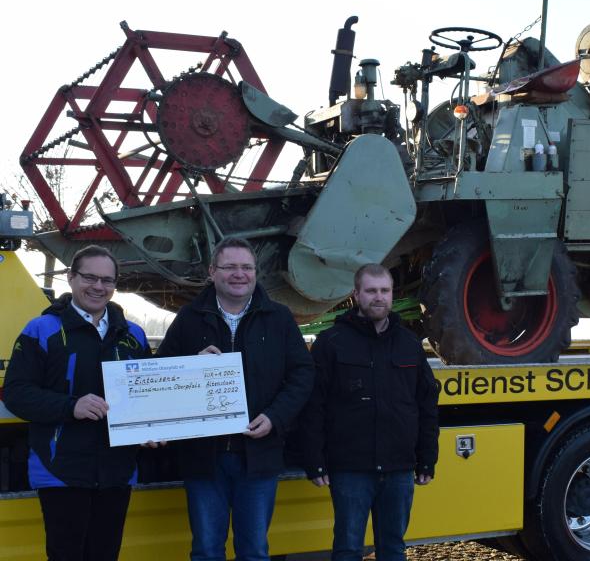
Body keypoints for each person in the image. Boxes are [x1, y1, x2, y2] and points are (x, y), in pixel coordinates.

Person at [157, 237, 314, 561]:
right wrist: (191, 366)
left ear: (256, 273)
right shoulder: (189, 318)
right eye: (230, 267)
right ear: (213, 272)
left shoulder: (279, 318)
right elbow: (161, 376)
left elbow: (302, 375)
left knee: (254, 551)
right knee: (206, 550)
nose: (238, 274)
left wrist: (275, 417)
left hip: (258, 456)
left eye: (246, 267)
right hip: (204, 458)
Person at [3, 245, 151, 561]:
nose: (98, 287)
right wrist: (71, 406)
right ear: (71, 278)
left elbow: (147, 393)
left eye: (107, 280)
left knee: (105, 554)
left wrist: (153, 424)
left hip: (116, 470)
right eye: (90, 277)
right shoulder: (41, 330)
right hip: (60, 469)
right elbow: (16, 393)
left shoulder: (133, 335)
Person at [302, 263, 439, 561]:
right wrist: (315, 460)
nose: (379, 297)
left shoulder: (409, 345)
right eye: (371, 291)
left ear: (392, 295)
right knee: (348, 549)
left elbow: (427, 404)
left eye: (385, 291)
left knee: (393, 548)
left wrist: (427, 458)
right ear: (356, 295)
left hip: (398, 468)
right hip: (351, 469)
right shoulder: (332, 343)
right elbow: (314, 405)